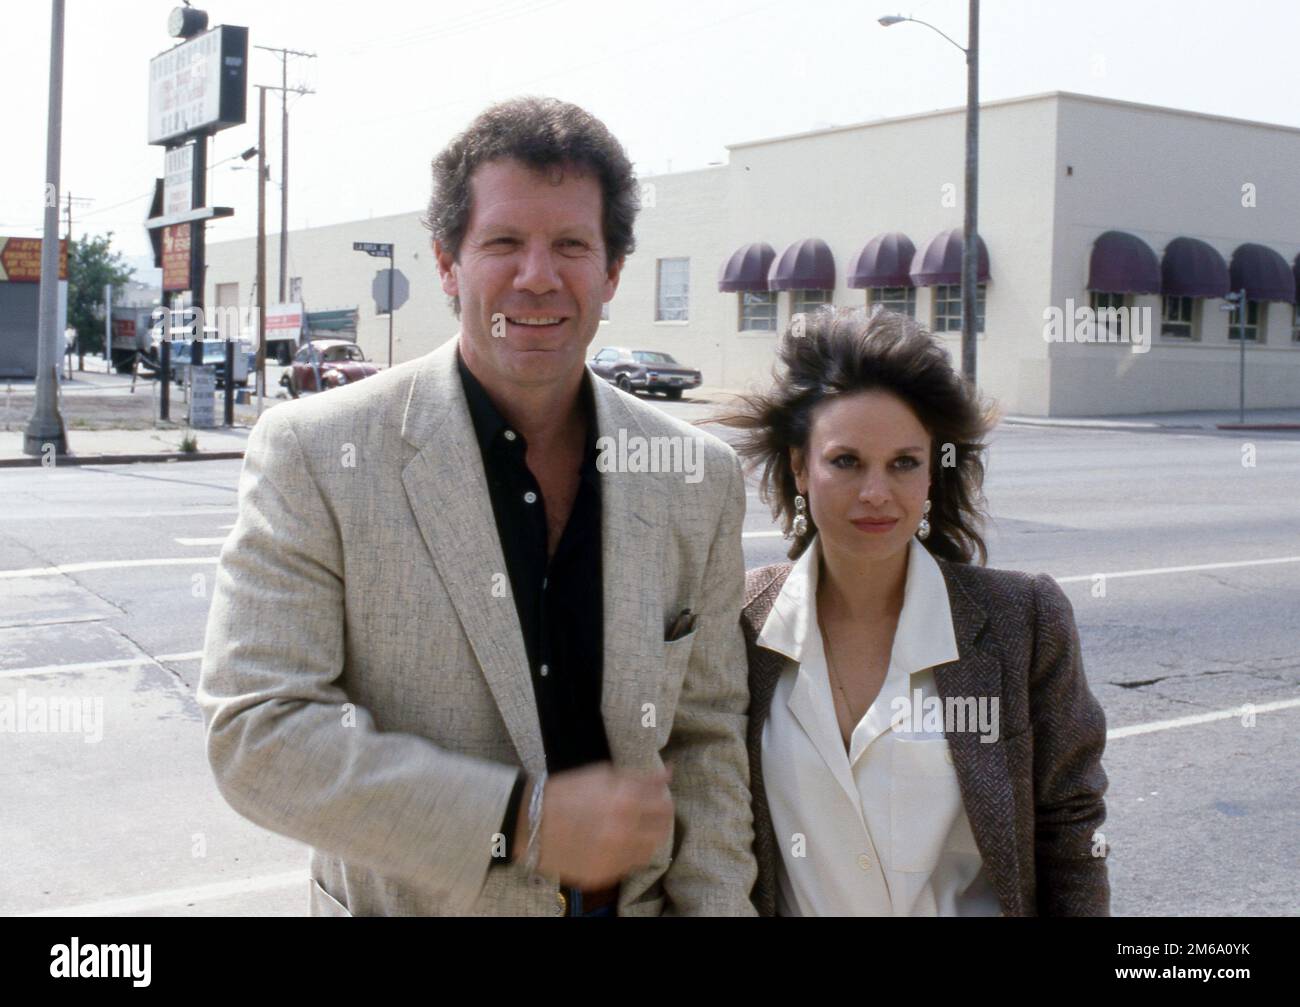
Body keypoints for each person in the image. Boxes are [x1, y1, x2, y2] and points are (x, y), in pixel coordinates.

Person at [198, 95, 757, 917]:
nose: (538, 274)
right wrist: (516, 823)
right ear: (447, 263)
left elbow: (707, 740)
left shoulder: (696, 476)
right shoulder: (315, 453)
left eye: (571, 244)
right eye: (503, 242)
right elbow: (258, 736)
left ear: (612, 272)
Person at [717, 305, 1109, 916]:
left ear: (933, 472)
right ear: (799, 466)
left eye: (904, 462)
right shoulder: (738, 623)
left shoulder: (1022, 620)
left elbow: (1071, 828)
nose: (877, 493)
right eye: (845, 461)